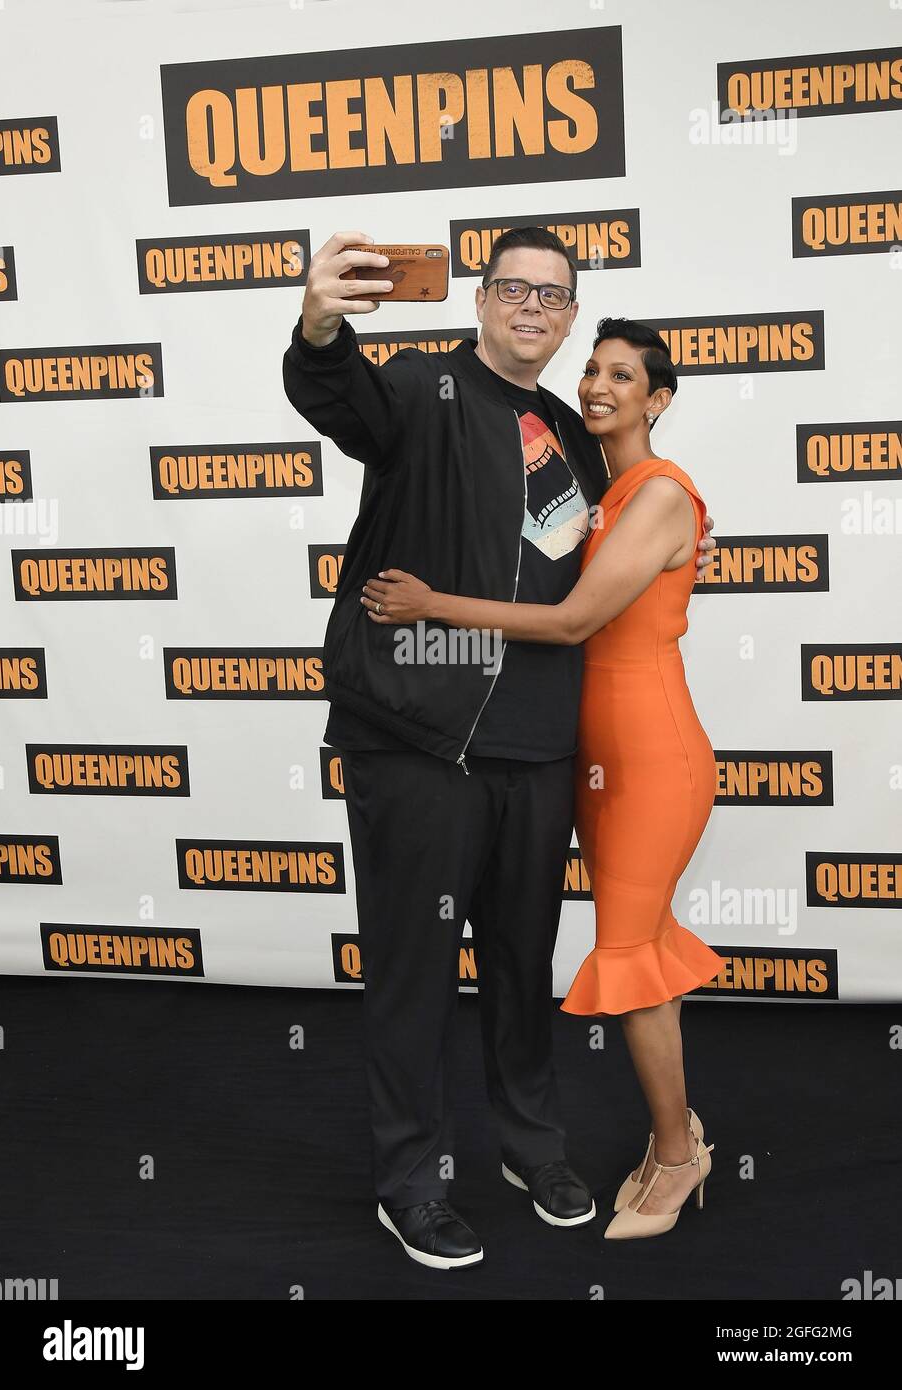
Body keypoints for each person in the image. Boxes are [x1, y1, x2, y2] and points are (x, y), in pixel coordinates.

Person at [283, 231, 715, 1267]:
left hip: (537, 751)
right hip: (417, 742)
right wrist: (321, 323)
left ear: (569, 322)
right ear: (482, 300)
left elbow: (586, 585)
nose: (534, 306)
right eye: (516, 288)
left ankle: (533, 1147)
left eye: (555, 298)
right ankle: (411, 1181)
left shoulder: (571, 434)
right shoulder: (420, 388)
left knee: (522, 971)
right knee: (411, 973)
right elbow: (336, 396)